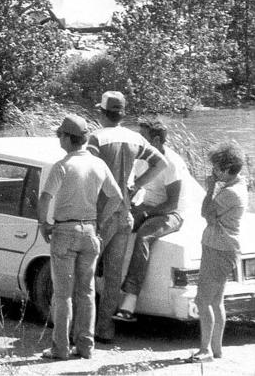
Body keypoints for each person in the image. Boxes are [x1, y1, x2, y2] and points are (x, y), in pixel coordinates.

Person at [37, 114, 125, 361]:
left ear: (67, 138)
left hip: (64, 231)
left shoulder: (62, 165)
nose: (59, 140)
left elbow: (45, 198)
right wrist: (101, 220)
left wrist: (43, 223)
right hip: (90, 232)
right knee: (86, 293)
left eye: (60, 136)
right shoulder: (98, 164)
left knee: (63, 294)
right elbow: (117, 198)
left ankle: (60, 348)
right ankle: (85, 346)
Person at [85, 91, 165, 343]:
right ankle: (105, 328)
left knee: (86, 271)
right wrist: (136, 185)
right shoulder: (134, 138)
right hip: (124, 212)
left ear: (101, 113)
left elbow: (86, 172)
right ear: (121, 114)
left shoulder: (96, 138)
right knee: (112, 274)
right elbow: (160, 163)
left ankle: (83, 330)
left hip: (101, 212)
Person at [114, 119, 191, 322]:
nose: (139, 140)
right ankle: (103, 280)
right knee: (115, 221)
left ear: (156, 140)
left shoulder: (172, 163)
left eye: (143, 137)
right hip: (148, 206)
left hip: (171, 214)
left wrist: (145, 215)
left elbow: (173, 203)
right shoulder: (143, 157)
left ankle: (130, 299)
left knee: (144, 235)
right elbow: (135, 188)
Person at [189, 142, 248, 363]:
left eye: (216, 168)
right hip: (226, 247)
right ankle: (216, 349)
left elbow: (206, 212)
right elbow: (212, 215)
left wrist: (210, 188)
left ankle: (205, 351)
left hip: (218, 247)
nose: (213, 171)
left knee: (203, 300)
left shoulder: (229, 192)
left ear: (225, 169)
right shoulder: (239, 186)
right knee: (216, 301)